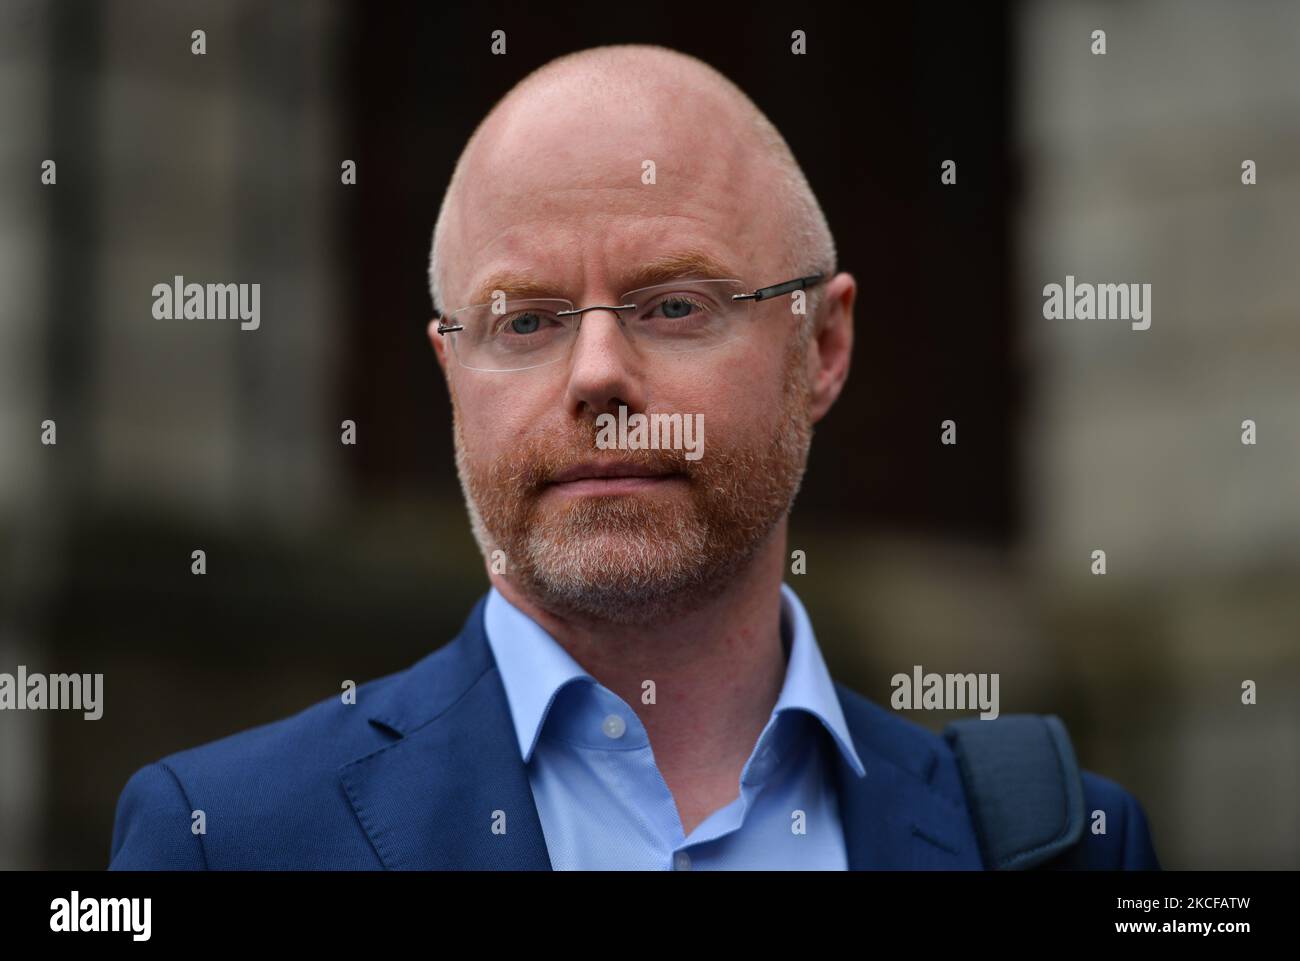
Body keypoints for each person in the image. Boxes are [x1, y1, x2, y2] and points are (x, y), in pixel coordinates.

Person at [109, 43, 1159, 870]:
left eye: (674, 305)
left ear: (822, 348)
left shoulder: (1057, 844)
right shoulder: (223, 840)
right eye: (525, 321)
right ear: (451, 373)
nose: (597, 374)